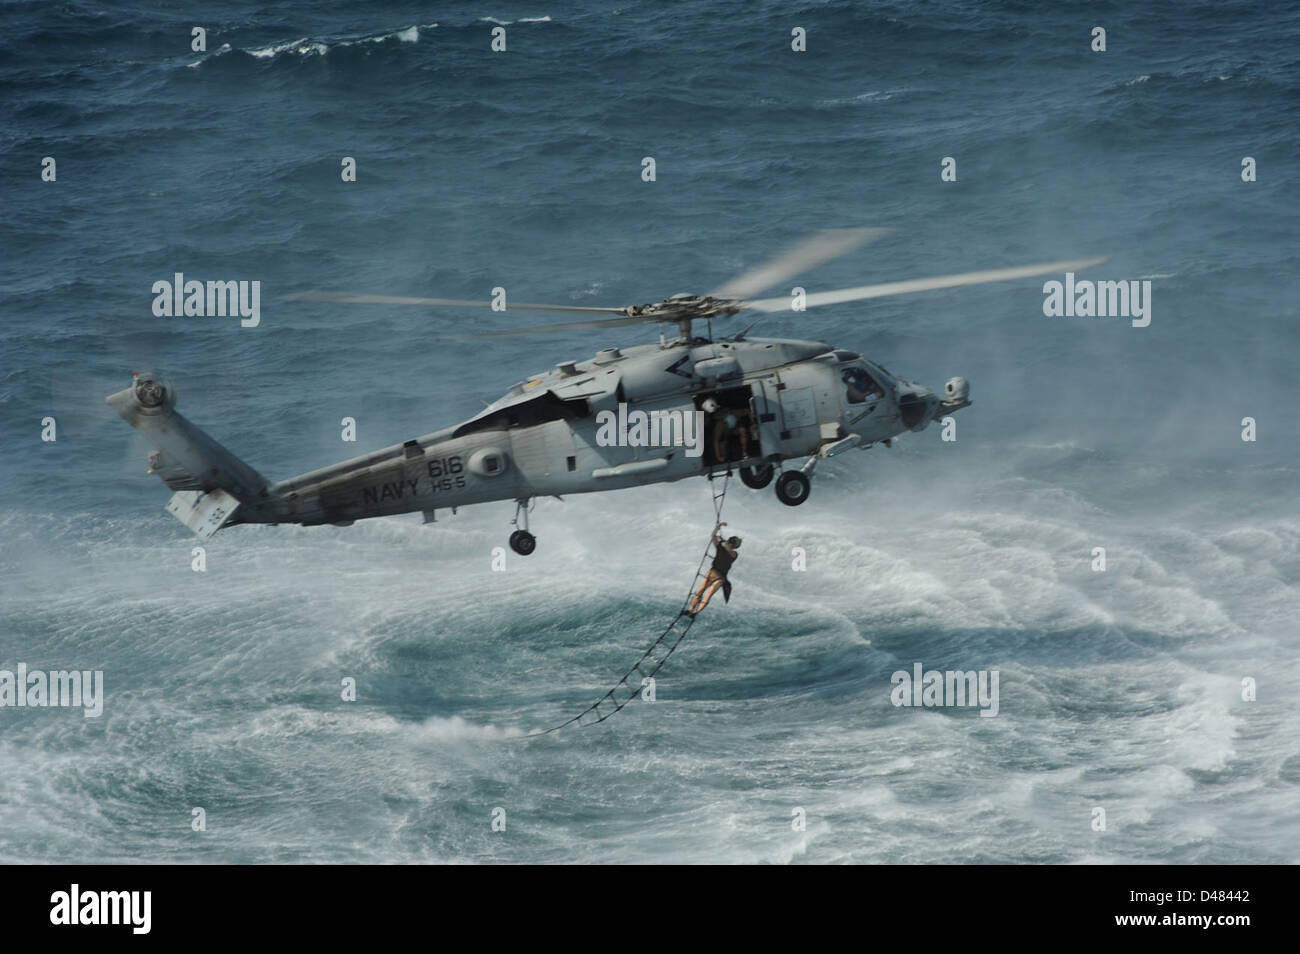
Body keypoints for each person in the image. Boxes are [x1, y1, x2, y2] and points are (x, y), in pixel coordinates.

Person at [687, 522, 741, 617]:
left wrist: (720, 533)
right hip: (714, 574)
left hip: (717, 577)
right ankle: (691, 610)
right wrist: (720, 532)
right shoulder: (727, 550)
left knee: (706, 594)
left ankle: (694, 612)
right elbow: (716, 538)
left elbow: (717, 540)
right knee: (700, 592)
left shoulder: (729, 552)